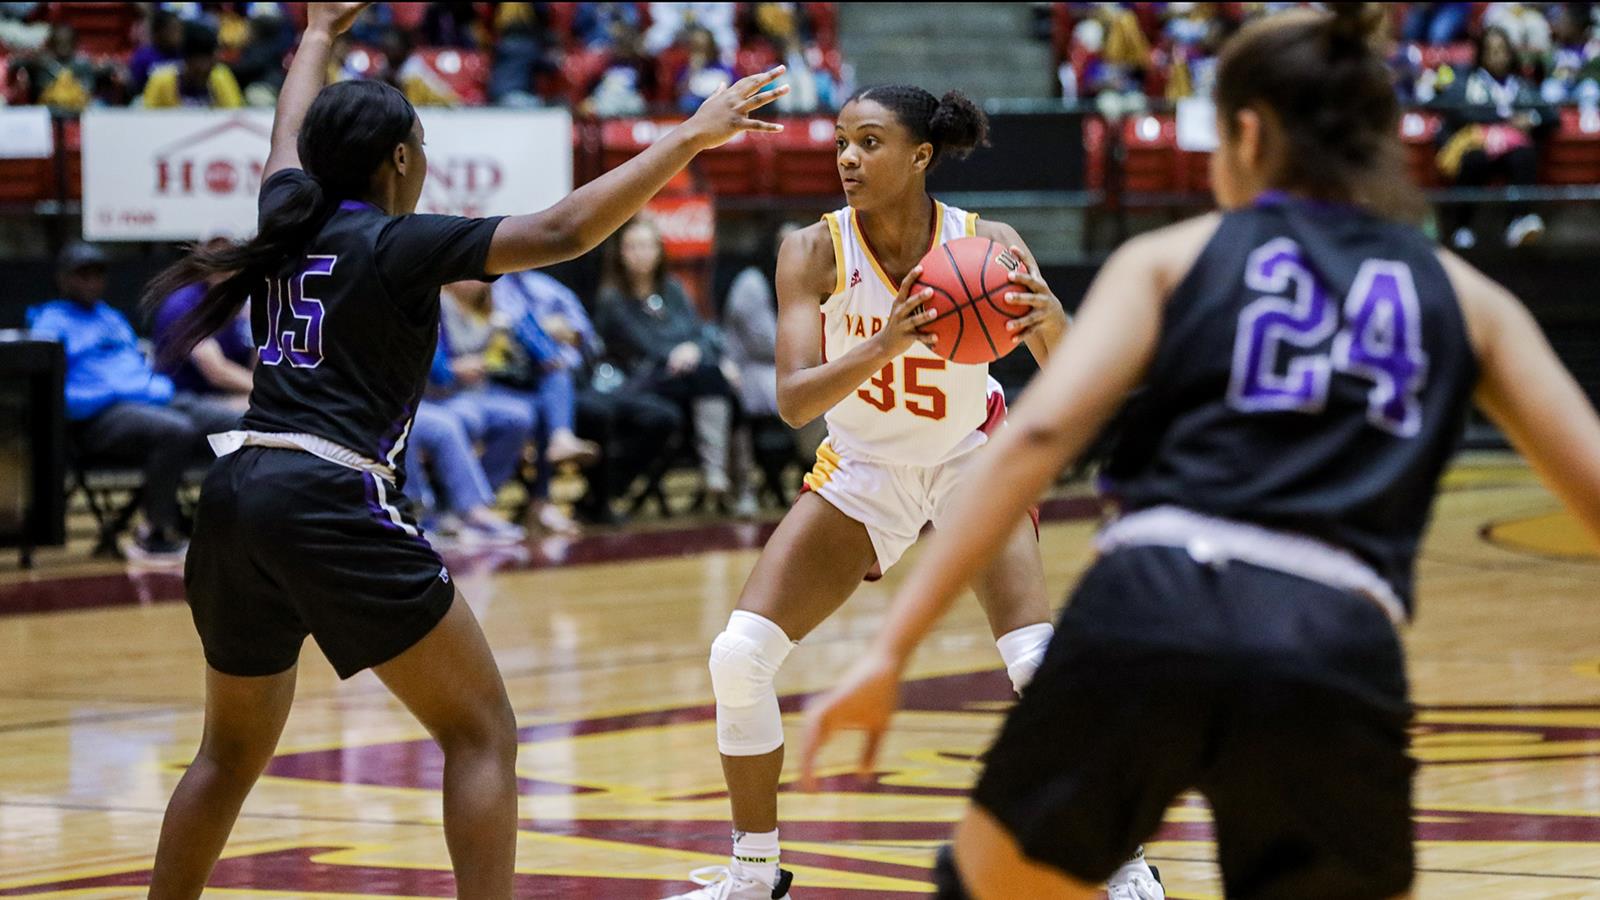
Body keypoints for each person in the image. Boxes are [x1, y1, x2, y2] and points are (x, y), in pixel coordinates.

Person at [799, 5, 1600, 898]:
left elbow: (1035, 438)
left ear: (1248, 135)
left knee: (996, 887)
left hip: (1148, 608)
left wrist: (890, 653)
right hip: (1330, 640)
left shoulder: (1175, 257)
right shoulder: (1469, 299)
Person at [138, 0, 788, 893]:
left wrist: (321, 31)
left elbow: (287, 125)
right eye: (424, 151)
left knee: (226, 756)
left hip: (238, 488)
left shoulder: (289, 211)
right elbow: (563, 232)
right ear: (400, 158)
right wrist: (688, 138)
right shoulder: (397, 242)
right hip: (327, 496)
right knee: (482, 732)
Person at [659, 85, 1161, 900]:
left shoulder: (987, 245)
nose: (848, 159)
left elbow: (1076, 380)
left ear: (921, 156)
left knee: (1037, 663)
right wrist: (886, 343)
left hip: (971, 463)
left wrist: (1056, 317)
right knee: (738, 657)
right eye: (840, 144)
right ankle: (753, 875)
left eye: (869, 142)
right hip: (861, 470)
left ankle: (1122, 861)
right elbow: (793, 400)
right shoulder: (811, 252)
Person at [27, 242, 239, 561]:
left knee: (231, 422)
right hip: (97, 418)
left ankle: (229, 522)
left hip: (152, 400)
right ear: (63, 279)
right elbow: (57, 393)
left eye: (97, 273)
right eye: (82, 274)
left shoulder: (111, 319)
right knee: (176, 430)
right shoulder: (50, 323)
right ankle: (153, 533)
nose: (91, 281)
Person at [597, 218, 745, 511]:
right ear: (621, 254)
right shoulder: (613, 300)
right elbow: (644, 346)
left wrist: (700, 353)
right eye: (633, 246)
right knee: (713, 377)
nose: (641, 253)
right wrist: (682, 353)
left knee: (721, 380)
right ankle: (724, 479)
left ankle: (731, 483)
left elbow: (701, 333)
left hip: (688, 377)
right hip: (643, 380)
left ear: (659, 251)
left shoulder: (673, 289)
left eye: (647, 245)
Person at [440, 278, 597, 535]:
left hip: (489, 389)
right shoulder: (436, 302)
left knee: (539, 403)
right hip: (447, 394)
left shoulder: (501, 304)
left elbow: (550, 353)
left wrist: (557, 336)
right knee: (525, 412)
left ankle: (497, 504)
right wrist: (454, 370)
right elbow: (433, 367)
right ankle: (469, 507)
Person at [723, 221, 822, 509]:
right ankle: (813, 463)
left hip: (785, 366)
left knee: (826, 388)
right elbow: (769, 343)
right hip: (749, 370)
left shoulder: (807, 280)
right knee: (810, 392)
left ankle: (817, 467)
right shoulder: (751, 283)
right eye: (784, 244)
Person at [1434, 25, 1555, 249]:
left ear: (1510, 53)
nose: (1497, 56)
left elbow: (1551, 115)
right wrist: (1505, 121)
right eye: (1491, 50)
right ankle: (1462, 226)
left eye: (1502, 50)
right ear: (1481, 54)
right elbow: (1453, 109)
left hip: (1512, 152)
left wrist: (1532, 120)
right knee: (1473, 160)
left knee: (1524, 156)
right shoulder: (1467, 82)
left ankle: (1517, 222)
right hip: (1478, 147)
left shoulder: (1521, 85)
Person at [152, 237, 255, 412]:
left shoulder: (244, 302)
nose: (222, 262)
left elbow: (261, 359)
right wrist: (269, 392)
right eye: (215, 253)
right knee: (259, 413)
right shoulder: (182, 304)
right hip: (181, 398)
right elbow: (216, 372)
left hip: (225, 395)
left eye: (229, 253)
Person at [140, 22, 244, 108]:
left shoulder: (221, 77)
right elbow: (146, 119)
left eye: (211, 64)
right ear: (186, 59)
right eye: (200, 65)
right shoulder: (161, 80)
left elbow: (234, 114)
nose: (206, 68)